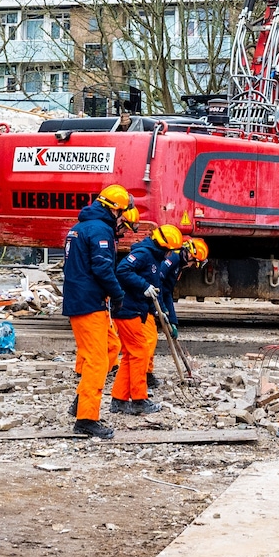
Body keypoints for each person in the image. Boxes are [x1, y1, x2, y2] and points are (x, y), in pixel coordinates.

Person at [60, 185, 135, 438]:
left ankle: (82, 400)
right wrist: (117, 293)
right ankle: (86, 419)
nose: (125, 219)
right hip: (88, 302)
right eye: (124, 213)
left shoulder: (82, 228)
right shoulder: (99, 230)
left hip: (87, 300)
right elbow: (102, 269)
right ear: (115, 209)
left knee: (112, 347)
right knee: (97, 360)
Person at [115, 225, 196, 414]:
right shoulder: (144, 254)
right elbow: (122, 270)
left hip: (136, 309)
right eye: (169, 251)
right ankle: (139, 399)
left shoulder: (155, 258)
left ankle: (119, 399)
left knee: (130, 355)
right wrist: (144, 286)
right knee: (139, 353)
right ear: (163, 246)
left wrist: (162, 313)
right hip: (128, 309)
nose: (170, 255)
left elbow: (157, 292)